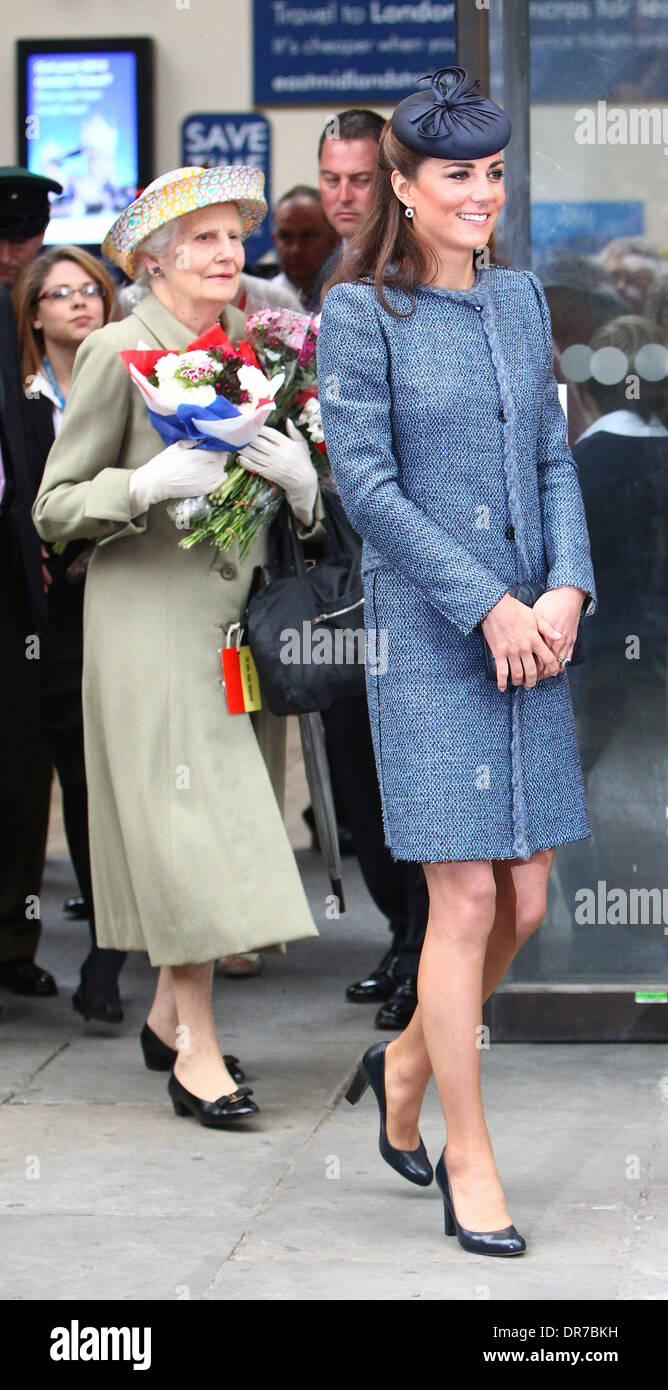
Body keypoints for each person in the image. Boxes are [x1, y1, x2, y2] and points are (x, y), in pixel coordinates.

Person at [317, 66, 597, 1255]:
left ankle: (401, 1058)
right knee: (465, 894)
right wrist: (486, 602)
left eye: (490, 173)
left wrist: (567, 585)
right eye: (455, 175)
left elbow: (549, 453)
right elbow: (366, 490)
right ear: (404, 187)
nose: (479, 193)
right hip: (433, 639)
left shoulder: (522, 300)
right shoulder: (355, 313)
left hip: (533, 631)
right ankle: (466, 1157)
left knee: (524, 900)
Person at [32, 166, 323, 1128]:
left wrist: (301, 485)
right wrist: (143, 485)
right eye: (201, 239)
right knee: (196, 839)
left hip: (231, 631)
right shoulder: (118, 349)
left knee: (224, 827)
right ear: (151, 261)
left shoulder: (249, 349)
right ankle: (193, 1048)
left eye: (234, 236)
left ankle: (168, 1016)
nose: (225, 252)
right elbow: (53, 508)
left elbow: (278, 511)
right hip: (146, 629)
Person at [313, 106, 431, 1028]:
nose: (345, 197)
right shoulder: (328, 280)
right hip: (348, 575)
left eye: (360, 179)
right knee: (359, 771)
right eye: (332, 181)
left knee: (419, 774)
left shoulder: (418, 281)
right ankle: (402, 938)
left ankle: (428, 954)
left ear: (392, 180)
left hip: (423, 574)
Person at [14, 245, 128, 1023]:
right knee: (40, 770)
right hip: (39, 614)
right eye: (61, 295)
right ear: (34, 315)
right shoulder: (20, 397)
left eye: (91, 290)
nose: (81, 304)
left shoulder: (126, 377)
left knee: (101, 781)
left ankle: (107, 952)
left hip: (114, 600)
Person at [0, 167, 62, 1000]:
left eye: (26, 238)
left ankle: (12, 940)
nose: (15, 252)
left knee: (19, 762)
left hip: (16, 569)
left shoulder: (29, 320)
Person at [270, 186, 338, 313]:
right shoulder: (258, 303)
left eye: (307, 236)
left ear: (334, 239)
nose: (296, 250)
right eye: (285, 237)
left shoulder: (354, 299)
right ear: (274, 239)